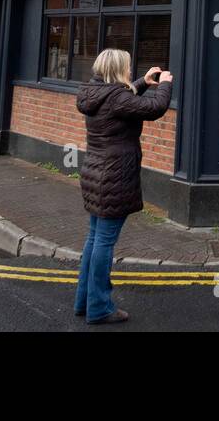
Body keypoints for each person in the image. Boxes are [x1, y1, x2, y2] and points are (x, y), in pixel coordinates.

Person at [73, 48, 173, 325]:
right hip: (114, 176)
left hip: (95, 173)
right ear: (117, 69)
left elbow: (122, 101)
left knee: (94, 239)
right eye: (128, 68)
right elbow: (154, 109)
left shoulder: (94, 92)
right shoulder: (117, 97)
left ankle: (85, 301)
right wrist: (164, 84)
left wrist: (143, 82)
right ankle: (100, 308)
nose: (130, 72)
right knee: (103, 241)